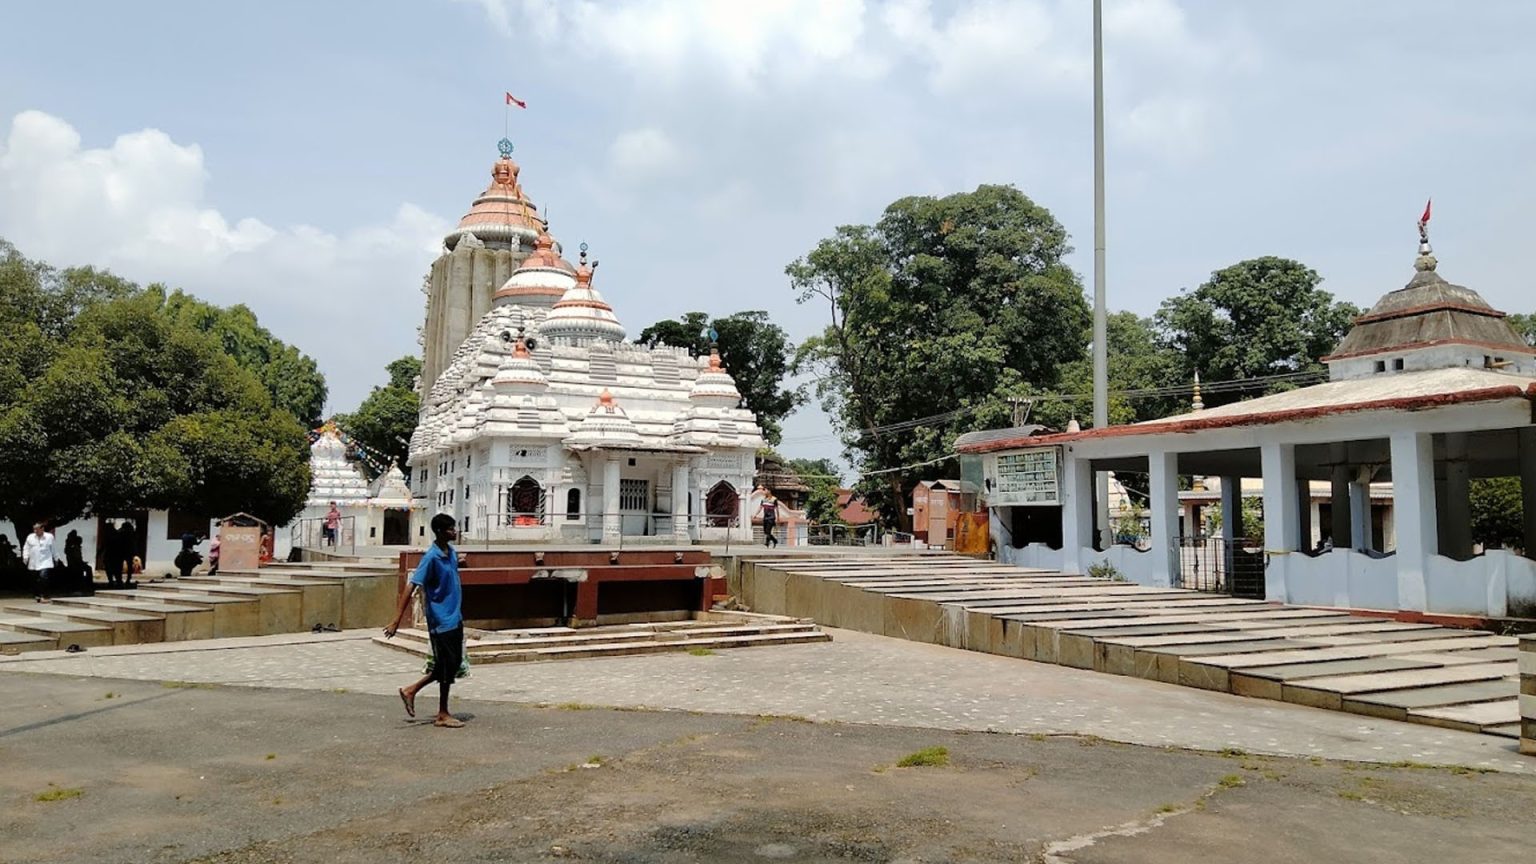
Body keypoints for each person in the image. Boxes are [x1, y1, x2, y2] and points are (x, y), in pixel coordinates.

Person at [384, 513, 465, 728]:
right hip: (441, 619)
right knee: (447, 665)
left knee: (452, 664)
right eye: (450, 529)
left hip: (454, 617)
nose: (454, 532)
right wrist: (396, 621)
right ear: (439, 531)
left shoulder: (452, 553)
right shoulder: (431, 558)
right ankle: (442, 713)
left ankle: (411, 690)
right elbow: (412, 586)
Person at [22, 522, 56, 603]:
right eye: (34, 529)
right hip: (34, 562)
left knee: (44, 577)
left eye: (37, 529)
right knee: (35, 580)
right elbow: (26, 547)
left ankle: (45, 595)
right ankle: (37, 595)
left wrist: (56, 557)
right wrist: (25, 556)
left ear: (42, 529)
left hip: (46, 561)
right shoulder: (30, 537)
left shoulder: (49, 537)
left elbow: (53, 548)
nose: (35, 531)